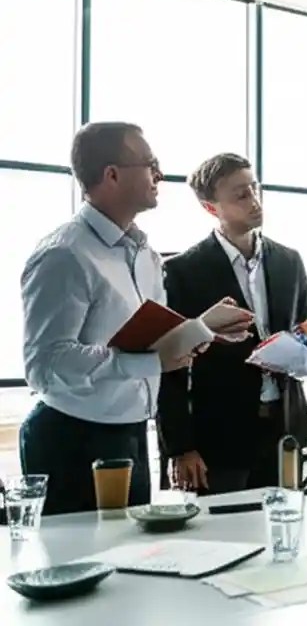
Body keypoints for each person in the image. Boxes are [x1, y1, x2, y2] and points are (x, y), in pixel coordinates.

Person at [18, 123, 236, 514]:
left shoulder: (144, 254)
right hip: (72, 437)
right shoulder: (65, 254)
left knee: (128, 563)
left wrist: (198, 331)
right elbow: (45, 366)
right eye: (149, 163)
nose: (159, 174)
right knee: (78, 567)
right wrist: (150, 362)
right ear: (112, 175)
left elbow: (150, 337)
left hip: (131, 433)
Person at [158, 153, 307, 494]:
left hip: (284, 426)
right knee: (221, 541)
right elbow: (170, 368)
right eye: (241, 195)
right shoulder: (183, 272)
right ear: (212, 208)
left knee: (285, 532)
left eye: (255, 189)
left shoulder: (289, 260)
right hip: (217, 436)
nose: (255, 201)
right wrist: (179, 446)